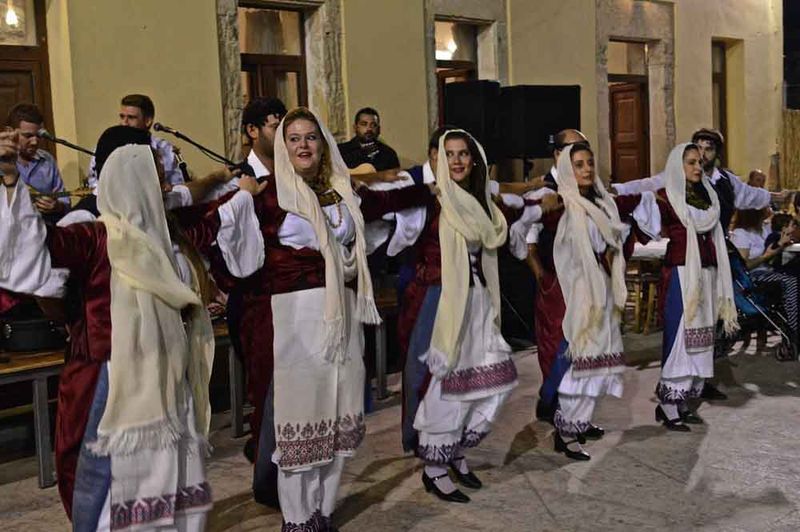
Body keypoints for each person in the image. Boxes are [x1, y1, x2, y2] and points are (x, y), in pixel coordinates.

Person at [0, 128, 264, 527]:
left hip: (169, 372)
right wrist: (10, 182)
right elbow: (32, 251)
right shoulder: (97, 235)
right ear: (134, 179)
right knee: (113, 477)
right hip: (114, 375)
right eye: (156, 175)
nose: (166, 184)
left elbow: (215, 215)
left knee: (172, 471)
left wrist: (242, 193)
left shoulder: (170, 233)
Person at [209, 107, 431, 530]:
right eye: (293, 138)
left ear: (324, 144)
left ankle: (321, 511)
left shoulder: (342, 190)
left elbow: (390, 202)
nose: (303, 145)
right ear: (283, 146)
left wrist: (433, 188)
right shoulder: (270, 195)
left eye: (310, 137)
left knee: (336, 408)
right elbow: (220, 235)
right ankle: (296, 515)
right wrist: (239, 196)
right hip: (296, 317)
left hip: (341, 311)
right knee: (302, 413)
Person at [396, 129, 517, 503]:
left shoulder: (483, 204)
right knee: (444, 383)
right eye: (449, 154)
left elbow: (516, 213)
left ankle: (456, 451)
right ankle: (434, 466)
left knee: (482, 380)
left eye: (463, 153)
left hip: (478, 299)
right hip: (442, 301)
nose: (457, 161)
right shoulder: (432, 202)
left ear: (474, 159)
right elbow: (390, 227)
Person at [528, 144, 660, 458]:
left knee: (596, 361)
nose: (587, 169)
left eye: (589, 163)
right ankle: (564, 429)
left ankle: (579, 421)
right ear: (565, 168)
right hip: (573, 290)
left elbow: (620, 228)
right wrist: (542, 276)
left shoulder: (604, 203)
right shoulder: (556, 204)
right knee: (576, 359)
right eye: (578, 164)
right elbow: (523, 227)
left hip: (599, 288)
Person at [506, 128, 591, 422]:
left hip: (584, 281)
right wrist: (544, 280)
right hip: (556, 282)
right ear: (557, 154)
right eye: (573, 149)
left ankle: (576, 413)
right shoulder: (544, 190)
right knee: (557, 344)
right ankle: (552, 403)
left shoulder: (586, 185)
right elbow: (527, 240)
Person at [654, 143, 739, 431]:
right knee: (681, 337)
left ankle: (683, 401)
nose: (697, 167)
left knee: (701, 339)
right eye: (690, 162)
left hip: (708, 273)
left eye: (699, 162)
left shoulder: (708, 197)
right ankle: (668, 404)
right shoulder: (666, 197)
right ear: (677, 166)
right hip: (682, 273)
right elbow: (645, 224)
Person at [86, 94, 185, 187]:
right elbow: (94, 182)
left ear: (148, 121)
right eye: (122, 117)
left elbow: (177, 185)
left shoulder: (165, 149)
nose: (124, 123)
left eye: (131, 117)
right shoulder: (106, 147)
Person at [731, 208, 798, 339]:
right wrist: (766, 256)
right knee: (791, 282)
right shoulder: (741, 234)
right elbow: (744, 266)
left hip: (771, 270)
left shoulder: (765, 229)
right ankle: (793, 327)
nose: (768, 209)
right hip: (754, 274)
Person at [7, 103, 69, 223]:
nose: (35, 142)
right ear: (10, 132)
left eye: (39, 136)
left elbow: (64, 199)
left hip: (44, 226)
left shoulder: (47, 160)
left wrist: (57, 206)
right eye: (28, 136)